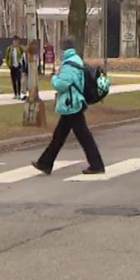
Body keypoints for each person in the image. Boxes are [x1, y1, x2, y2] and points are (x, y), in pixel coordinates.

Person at [32, 38, 105, 176]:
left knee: (83, 136)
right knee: (59, 136)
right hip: (73, 103)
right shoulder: (76, 60)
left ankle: (97, 164)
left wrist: (54, 78)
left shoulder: (69, 65)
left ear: (64, 49)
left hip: (71, 104)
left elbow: (61, 84)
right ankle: (45, 163)